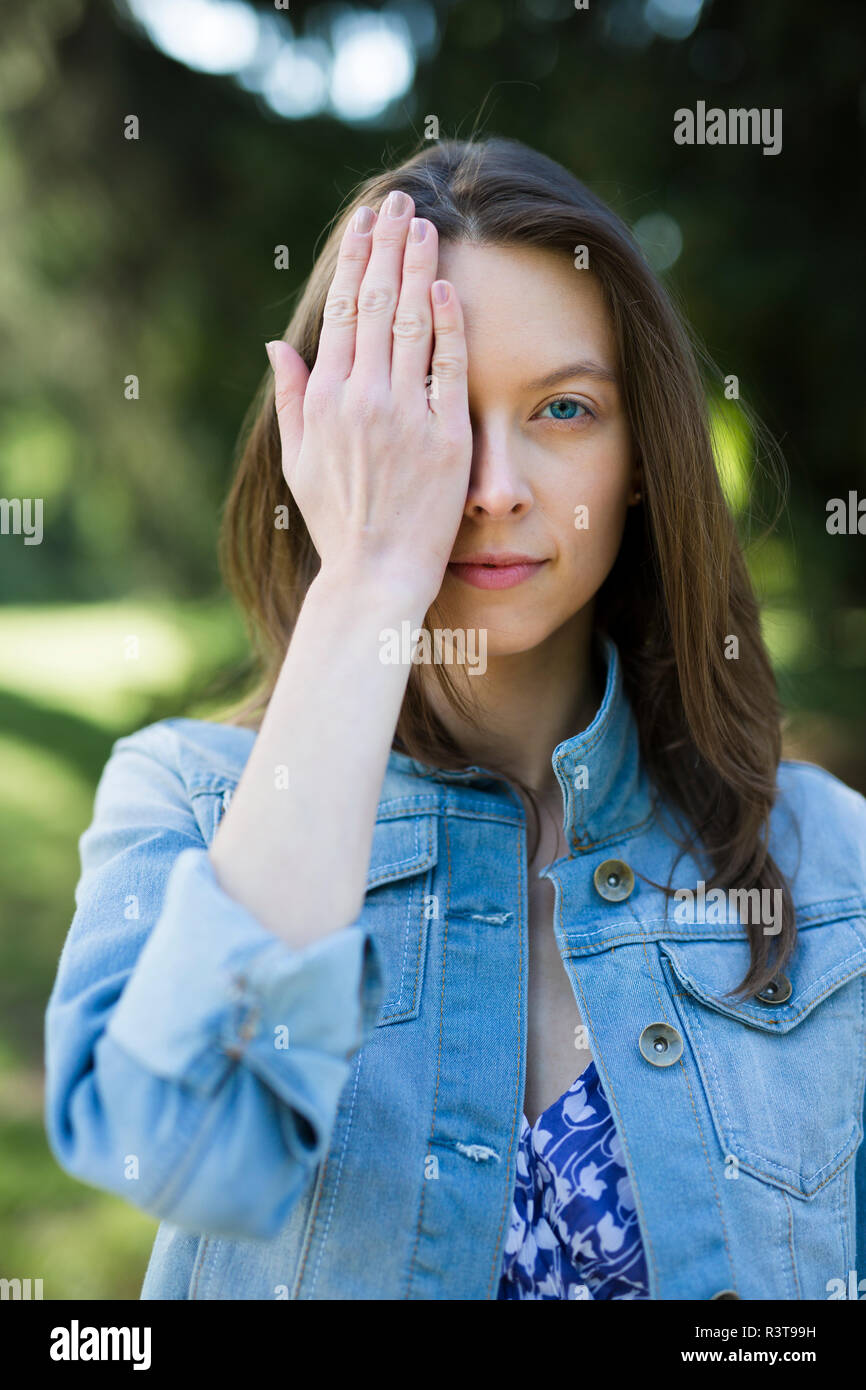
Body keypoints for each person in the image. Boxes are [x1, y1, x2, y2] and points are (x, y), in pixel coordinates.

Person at [44, 137, 866, 1300]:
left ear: (641, 456)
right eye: (423, 404)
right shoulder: (186, 802)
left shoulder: (830, 861)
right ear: (329, 442)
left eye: (564, 408)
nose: (490, 483)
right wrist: (373, 575)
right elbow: (184, 1147)